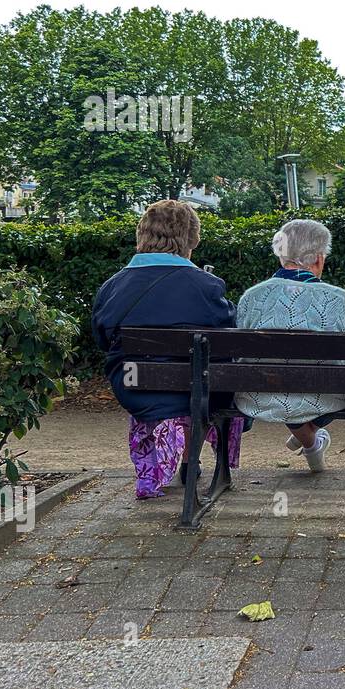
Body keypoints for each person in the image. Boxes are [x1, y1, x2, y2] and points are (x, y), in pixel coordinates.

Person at [92, 200, 243, 499]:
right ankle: (191, 459)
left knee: (184, 379)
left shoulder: (113, 286)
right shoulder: (206, 285)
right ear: (193, 239)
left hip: (134, 387)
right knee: (204, 378)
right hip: (197, 391)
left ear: (142, 234)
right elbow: (231, 336)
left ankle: (162, 466)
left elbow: (101, 339)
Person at [233, 219, 345, 472]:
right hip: (324, 396)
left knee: (288, 379)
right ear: (319, 259)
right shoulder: (338, 299)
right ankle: (308, 435)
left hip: (259, 394)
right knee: (343, 379)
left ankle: (306, 437)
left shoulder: (252, 296)